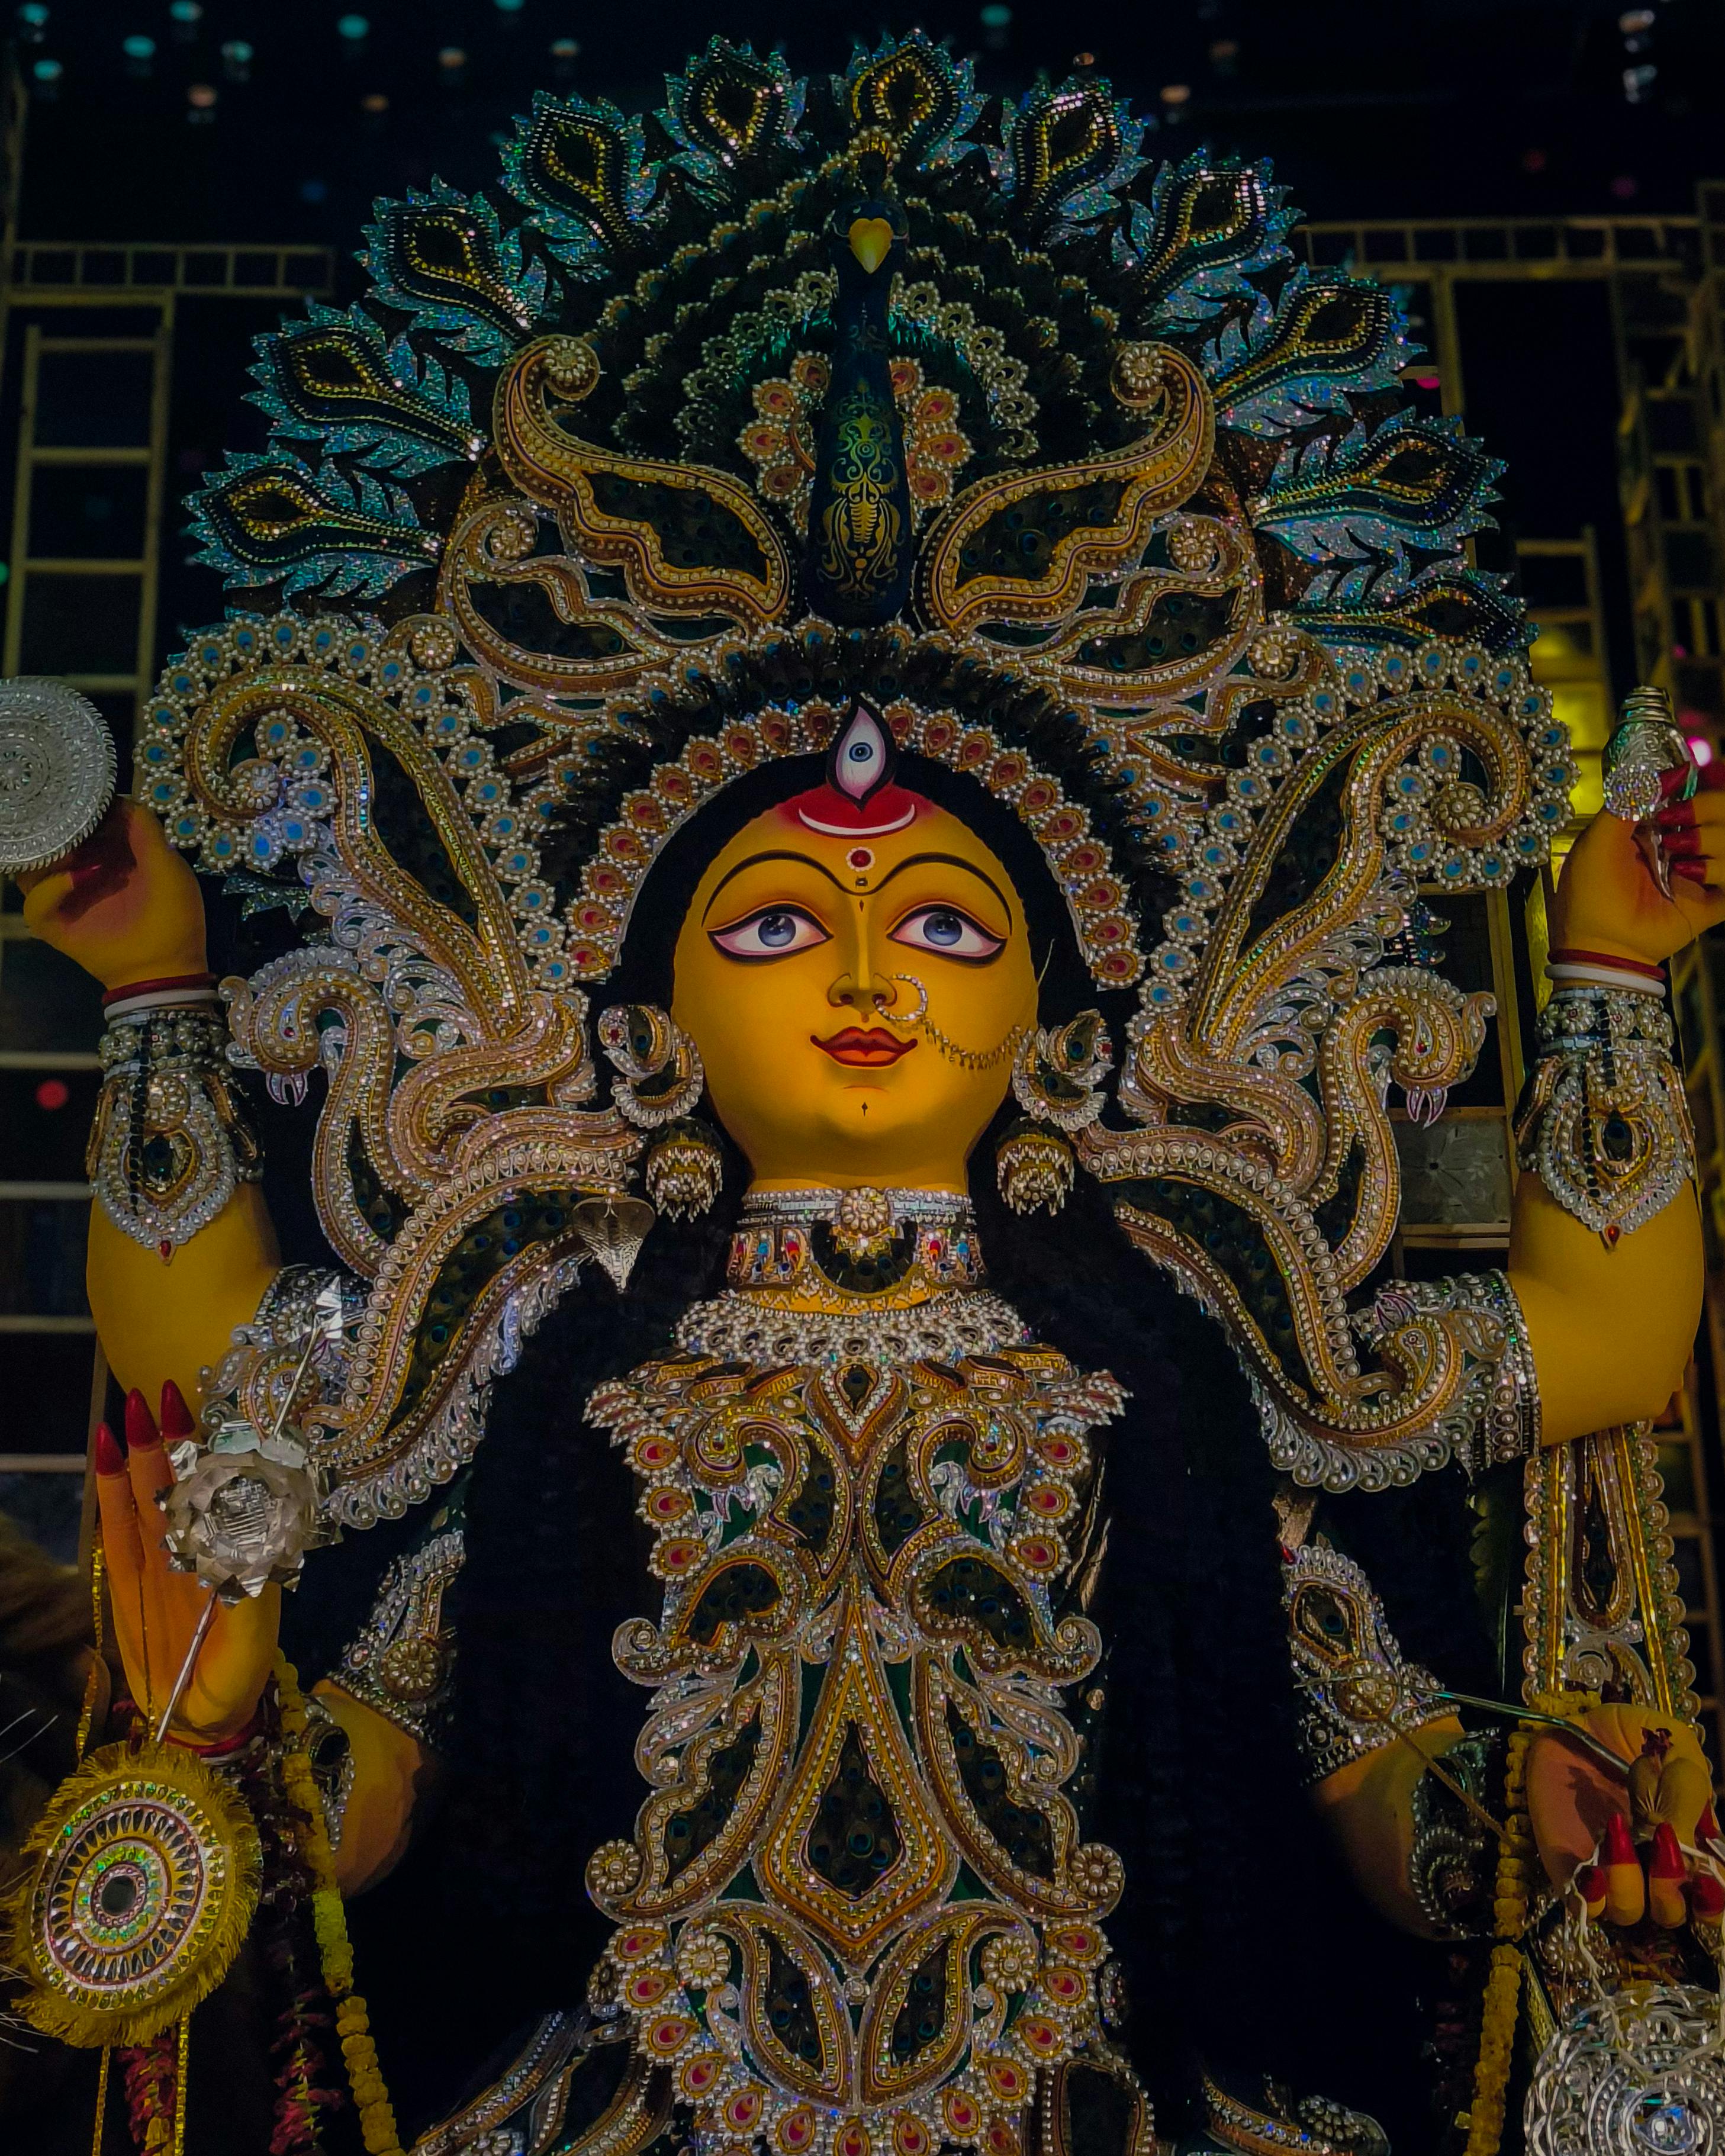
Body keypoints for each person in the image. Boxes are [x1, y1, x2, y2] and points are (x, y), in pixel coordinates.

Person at [5, 36, 1720, 2156]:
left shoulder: (1171, 1365)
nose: (850, 969)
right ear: (643, 1023)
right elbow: (293, 1563)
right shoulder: (550, 1368)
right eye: (765, 929)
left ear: (1058, 1019)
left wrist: (1501, 1833)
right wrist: (237, 1719)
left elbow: (1411, 1673)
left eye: (935, 923)